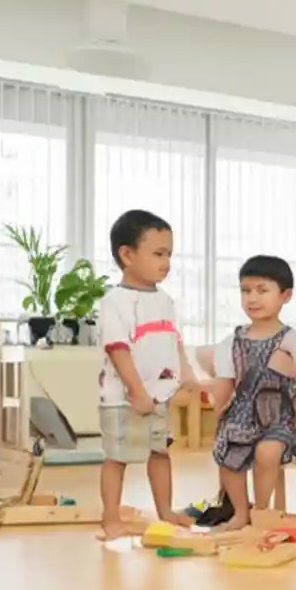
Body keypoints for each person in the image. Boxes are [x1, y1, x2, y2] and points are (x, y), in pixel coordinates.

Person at [96, 209, 201, 540]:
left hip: (160, 396)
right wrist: (136, 390)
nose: (166, 262)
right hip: (123, 399)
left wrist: (187, 376)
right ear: (126, 255)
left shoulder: (165, 301)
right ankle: (111, 516)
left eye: (169, 254)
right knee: (118, 457)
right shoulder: (115, 302)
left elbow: (174, 342)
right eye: (158, 254)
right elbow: (118, 349)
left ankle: (166, 511)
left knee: (160, 452)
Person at [209, 255, 296, 530]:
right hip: (242, 415)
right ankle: (240, 511)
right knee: (226, 450)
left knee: (267, 453)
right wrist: (219, 406)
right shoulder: (233, 339)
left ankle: (261, 511)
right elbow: (223, 379)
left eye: (262, 290)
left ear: (285, 296)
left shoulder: (289, 338)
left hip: (280, 418)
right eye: (246, 291)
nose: (252, 298)